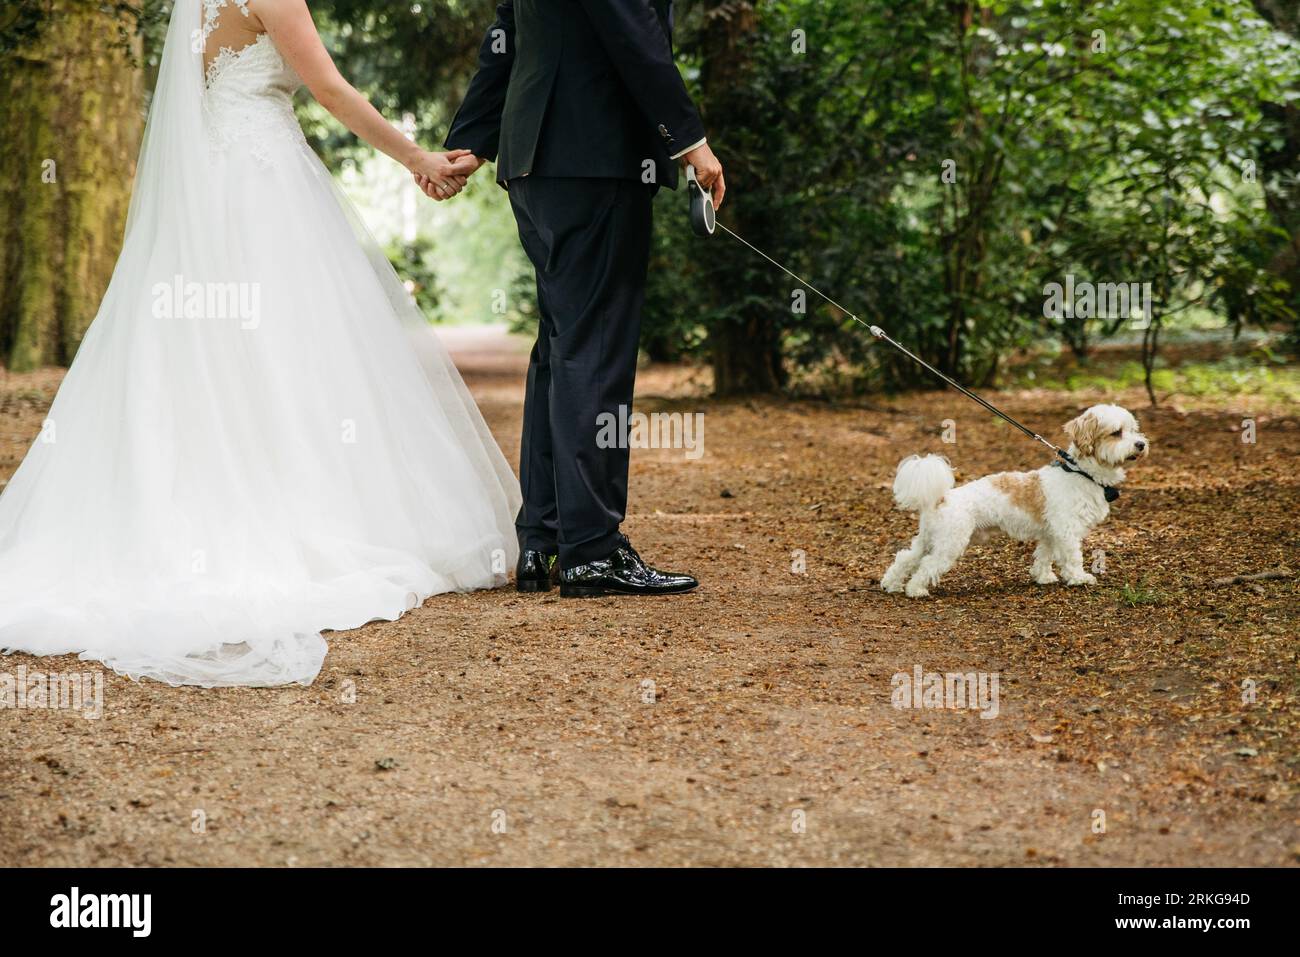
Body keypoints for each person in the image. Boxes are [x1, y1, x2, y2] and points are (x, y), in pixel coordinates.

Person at [0, 0, 521, 686]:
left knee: (221, 355)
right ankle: (299, 508)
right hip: (264, 189)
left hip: (212, 195)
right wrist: (416, 158)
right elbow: (329, 88)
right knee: (291, 352)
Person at [428, 0, 725, 598]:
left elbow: (504, 38)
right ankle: (591, 549)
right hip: (595, 154)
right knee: (596, 349)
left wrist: (475, 140)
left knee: (562, 347)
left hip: (533, 160)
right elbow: (634, 30)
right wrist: (691, 141)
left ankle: (543, 540)